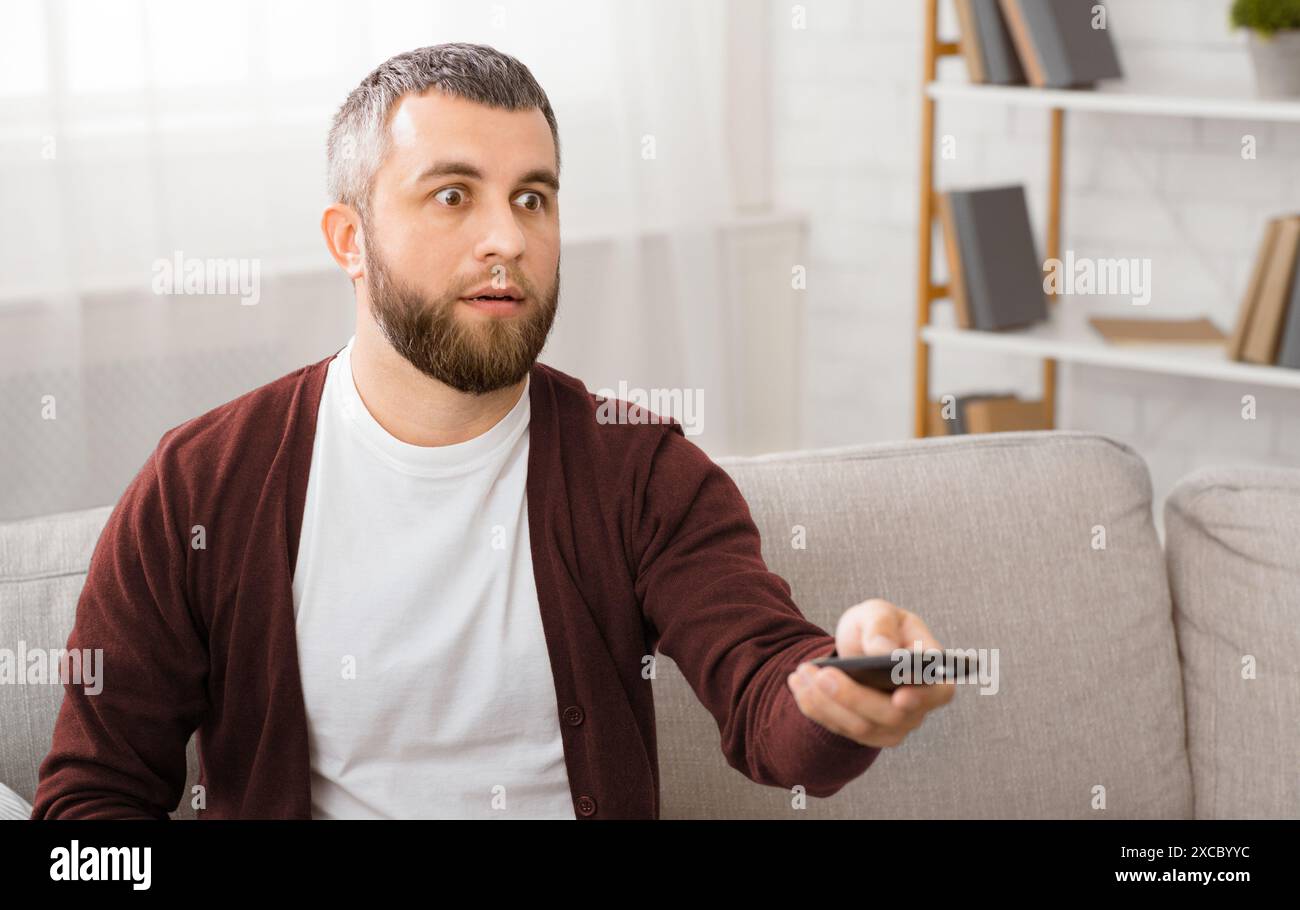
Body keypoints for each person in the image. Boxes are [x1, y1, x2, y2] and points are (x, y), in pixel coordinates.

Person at [32, 42, 953, 820]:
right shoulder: (203, 484)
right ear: (349, 239)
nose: (506, 239)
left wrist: (845, 687)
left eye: (532, 198)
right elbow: (93, 801)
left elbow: (764, 696)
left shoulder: (638, 469)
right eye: (452, 196)